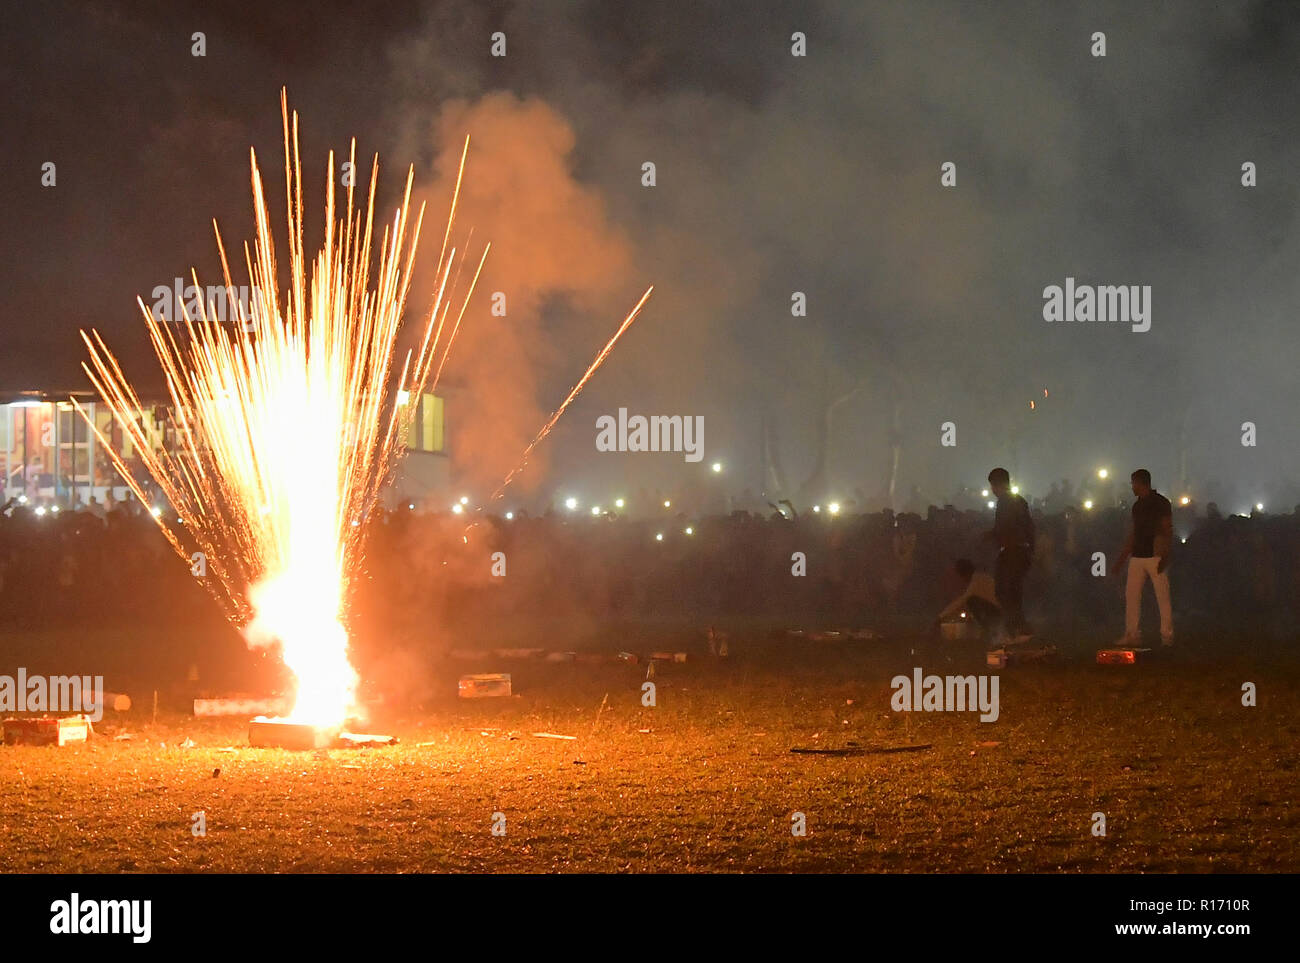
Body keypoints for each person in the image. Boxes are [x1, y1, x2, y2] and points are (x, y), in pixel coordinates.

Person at [1113, 468, 1173, 645]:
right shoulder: (1138, 506)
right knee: (1132, 596)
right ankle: (1133, 634)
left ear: (1141, 483)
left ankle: (1166, 636)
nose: (1132, 487)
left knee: (1161, 597)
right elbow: (1135, 532)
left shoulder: (1160, 503)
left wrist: (1165, 554)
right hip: (1139, 555)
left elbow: (1166, 528)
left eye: (1133, 483)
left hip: (1154, 555)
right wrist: (1123, 558)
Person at [985, 467, 1033, 639]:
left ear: (996, 485)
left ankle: (1017, 629)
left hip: (1012, 551)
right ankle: (1017, 629)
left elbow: (1003, 527)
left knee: (1005, 591)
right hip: (1021, 551)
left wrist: (989, 535)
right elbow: (1030, 527)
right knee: (1012, 591)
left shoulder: (1005, 501)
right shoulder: (1019, 500)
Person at [938, 558, 1003, 640]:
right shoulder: (980, 578)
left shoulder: (976, 581)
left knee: (971, 601)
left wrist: (940, 617)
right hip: (998, 610)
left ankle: (987, 630)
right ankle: (988, 631)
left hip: (997, 612)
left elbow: (961, 601)